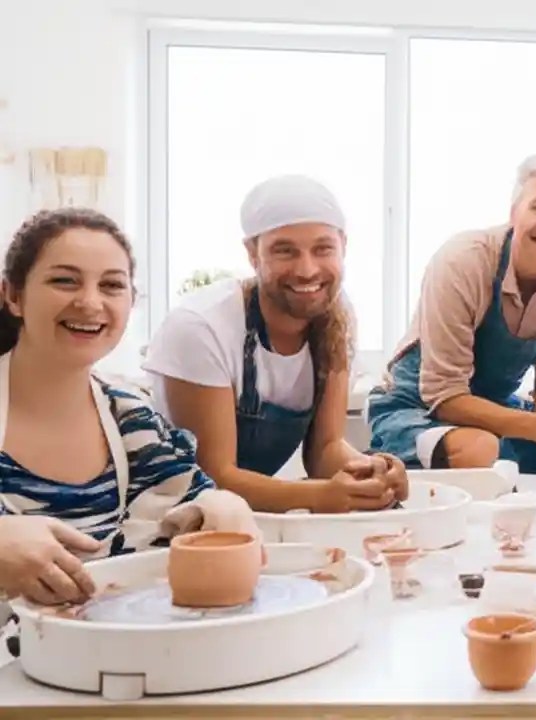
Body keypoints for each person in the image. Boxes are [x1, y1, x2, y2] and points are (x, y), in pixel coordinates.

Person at [0, 209, 256, 606]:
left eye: (111, 286)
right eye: (64, 281)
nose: (89, 302)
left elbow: (188, 497)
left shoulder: (130, 417)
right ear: (13, 296)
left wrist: (222, 506)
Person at [143, 176, 407, 513]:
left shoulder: (335, 316)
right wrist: (320, 496)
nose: (307, 269)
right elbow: (213, 477)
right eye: (285, 251)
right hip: (173, 516)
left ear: (344, 245)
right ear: (252, 253)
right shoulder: (202, 327)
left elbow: (325, 451)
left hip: (246, 516)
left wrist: (374, 473)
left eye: (323, 248)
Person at [367, 151, 536, 474]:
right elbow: (446, 395)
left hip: (493, 408)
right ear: (514, 213)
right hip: (419, 405)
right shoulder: (463, 261)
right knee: (481, 449)